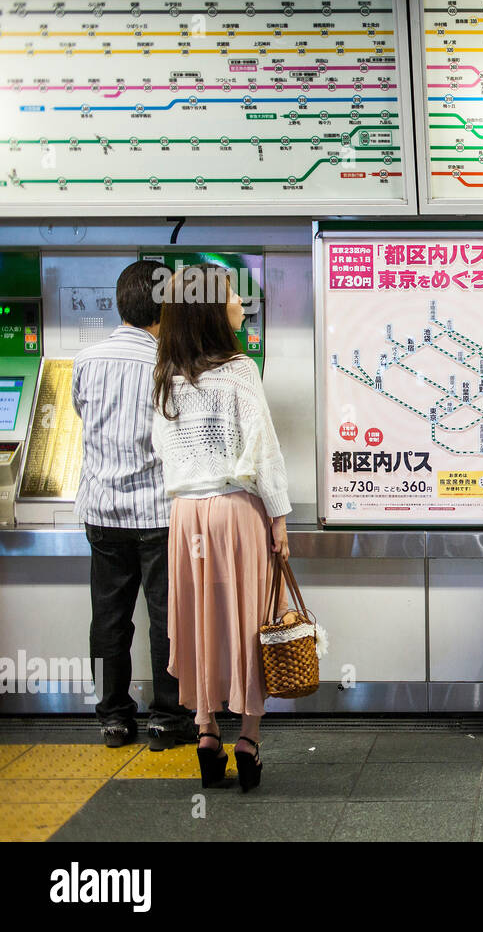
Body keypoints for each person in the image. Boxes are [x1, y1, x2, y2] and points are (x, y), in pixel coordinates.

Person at [152, 264, 291, 791]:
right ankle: (248, 741)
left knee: (199, 616)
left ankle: (206, 733)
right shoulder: (239, 371)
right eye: (234, 297)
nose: (240, 305)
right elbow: (264, 454)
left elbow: (158, 448)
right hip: (236, 511)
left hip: (186, 515)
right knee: (250, 618)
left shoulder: (164, 374)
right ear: (211, 309)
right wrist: (278, 517)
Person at [71, 259, 198, 750]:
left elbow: (85, 417)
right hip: (158, 514)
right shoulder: (170, 365)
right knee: (167, 618)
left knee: (108, 619)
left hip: (102, 512)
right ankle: (168, 719)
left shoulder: (85, 360)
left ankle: (113, 718)